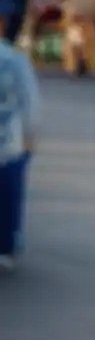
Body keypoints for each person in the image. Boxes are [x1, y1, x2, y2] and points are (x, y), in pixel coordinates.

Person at [0, 35, 40, 271]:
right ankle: (5, 246)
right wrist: (30, 135)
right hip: (9, 144)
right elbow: (29, 100)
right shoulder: (12, 58)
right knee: (8, 197)